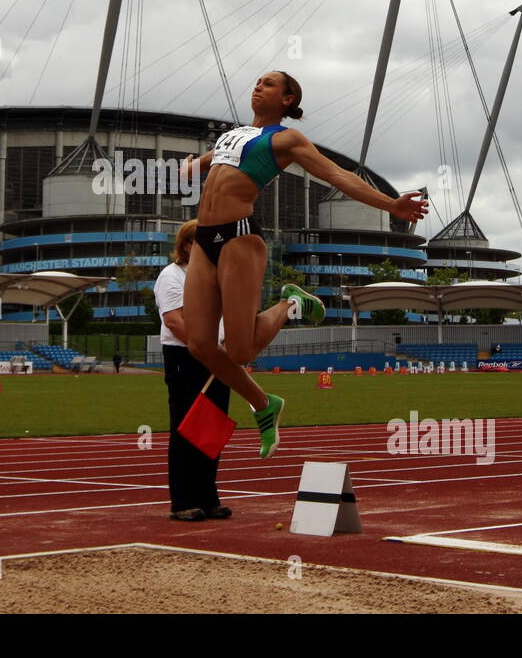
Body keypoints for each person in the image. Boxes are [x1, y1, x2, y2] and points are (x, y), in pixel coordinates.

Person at [180, 71, 428, 458]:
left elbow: (336, 174)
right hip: (204, 240)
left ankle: (290, 304)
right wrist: (192, 166)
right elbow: (213, 160)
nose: (257, 85)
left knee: (240, 352)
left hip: (239, 238)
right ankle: (265, 404)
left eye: (268, 83)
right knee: (199, 344)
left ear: (287, 98)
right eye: (257, 81)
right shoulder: (232, 135)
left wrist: (390, 205)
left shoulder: (287, 139)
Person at [155, 220, 232, 521]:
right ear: (186, 245)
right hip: (184, 356)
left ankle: (208, 496)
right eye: (205, 243)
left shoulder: (215, 276)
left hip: (216, 357)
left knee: (211, 427)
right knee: (186, 428)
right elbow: (174, 321)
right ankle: (183, 500)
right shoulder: (171, 276)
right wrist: (205, 348)